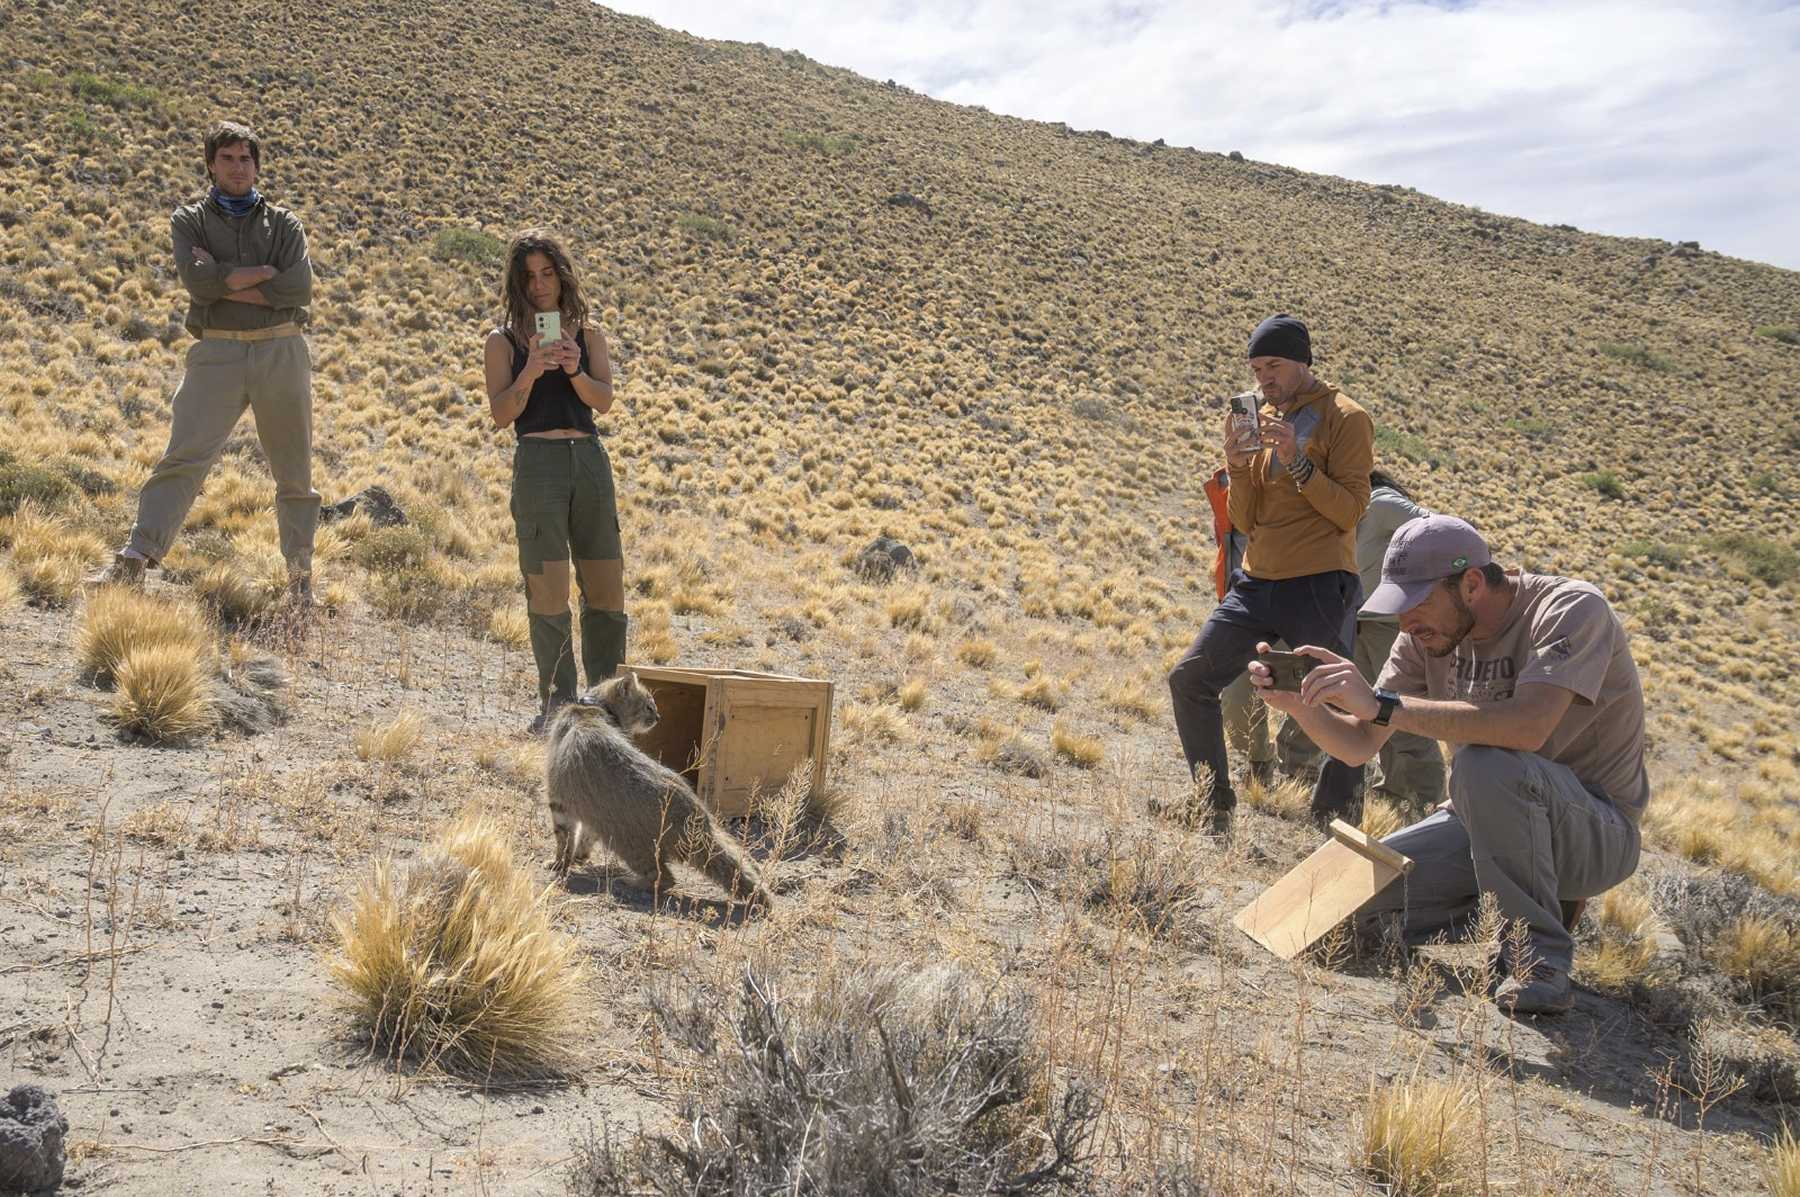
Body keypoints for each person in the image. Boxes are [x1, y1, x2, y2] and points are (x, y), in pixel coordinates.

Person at [1250, 516, 1647, 1015]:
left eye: (1416, 604)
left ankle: (1537, 960)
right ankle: (1509, 900)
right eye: (1398, 609)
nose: (1406, 623)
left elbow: (1527, 728)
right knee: (1333, 911)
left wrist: (1380, 704)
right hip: (1482, 818)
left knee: (1483, 766)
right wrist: (1303, 704)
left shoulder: (1568, 609)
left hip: (1595, 832)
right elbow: (1356, 745)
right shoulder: (1425, 637)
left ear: (1472, 584)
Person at [96, 121, 317, 600]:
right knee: (183, 455)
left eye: (246, 158)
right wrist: (263, 277)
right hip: (216, 350)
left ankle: (300, 581)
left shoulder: (284, 224)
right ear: (211, 165)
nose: (238, 167)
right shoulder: (189, 220)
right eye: (228, 158)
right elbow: (198, 286)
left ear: (256, 165)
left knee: (294, 469)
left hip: (281, 349)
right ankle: (136, 557)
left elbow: (298, 290)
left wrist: (226, 278)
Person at [1168, 314, 1374, 829]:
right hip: (1256, 582)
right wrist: (1238, 465)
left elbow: (1350, 510)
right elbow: (1243, 519)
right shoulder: (1257, 417)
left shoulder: (1345, 418)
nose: (1265, 379)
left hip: (1319, 583)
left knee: (1342, 703)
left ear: (1303, 362)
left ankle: (1337, 821)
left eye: (1274, 366)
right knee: (1190, 679)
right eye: (1257, 368)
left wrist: (1297, 461)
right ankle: (1211, 804)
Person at [483, 231, 623, 733]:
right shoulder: (501, 341)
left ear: (562, 278)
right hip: (538, 463)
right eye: (529, 277)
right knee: (547, 589)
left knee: (605, 587)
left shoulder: (589, 336)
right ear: (518, 285)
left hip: (588, 459)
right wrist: (529, 375)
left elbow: (603, 400)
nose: (540, 285)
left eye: (547, 274)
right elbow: (502, 414)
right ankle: (560, 706)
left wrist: (573, 368)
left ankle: (609, 705)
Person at [1272, 470, 1447, 810]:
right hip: (1349, 618)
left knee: (1395, 709)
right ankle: (1297, 770)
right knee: (1324, 690)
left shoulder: (1380, 503)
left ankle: (1415, 797)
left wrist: (1413, 582)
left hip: (1386, 626)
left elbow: (1438, 528)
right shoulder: (1329, 513)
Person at [1204, 464, 1276, 788]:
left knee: (1308, 693)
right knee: (1235, 697)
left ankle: (1307, 770)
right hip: (1242, 608)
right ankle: (1260, 762)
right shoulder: (1225, 487)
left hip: (1296, 605)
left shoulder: (1288, 488)